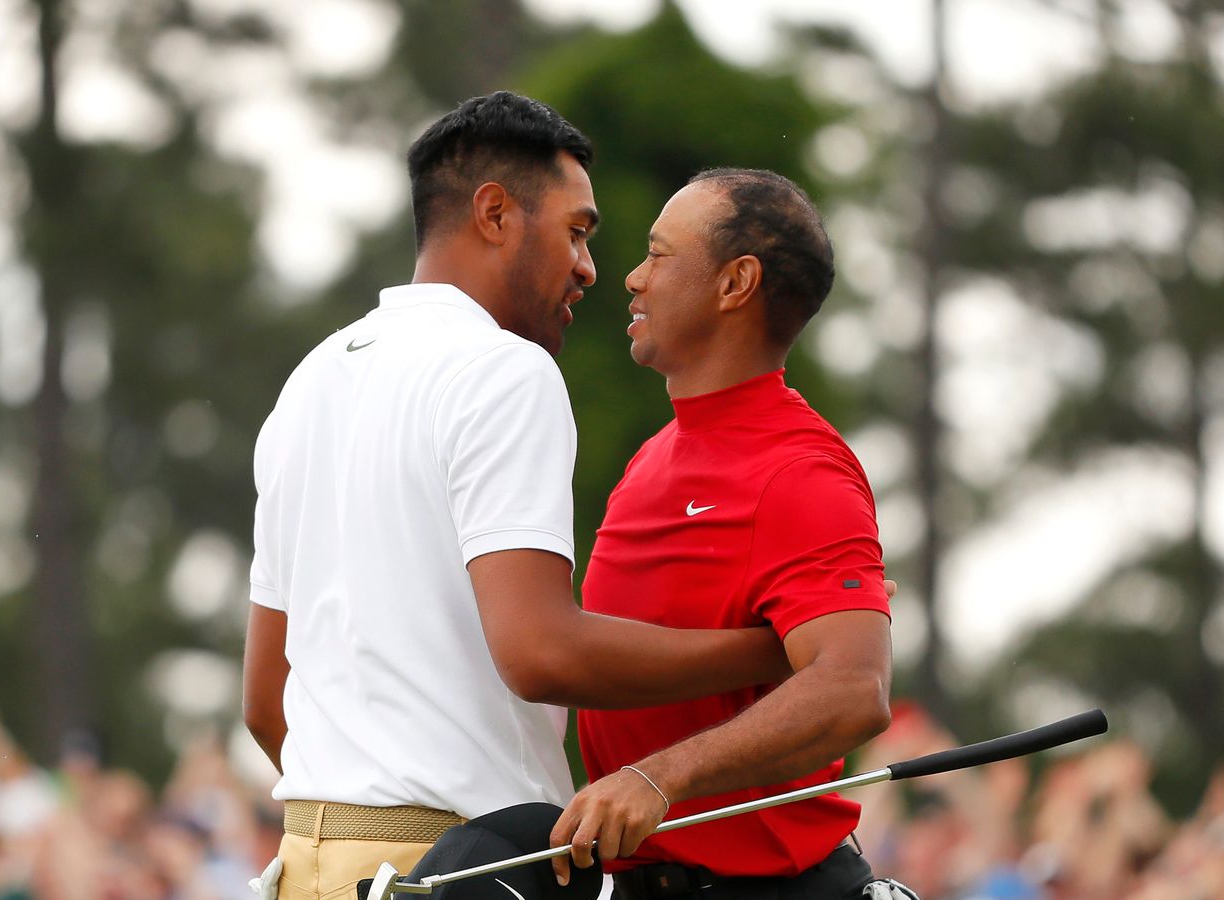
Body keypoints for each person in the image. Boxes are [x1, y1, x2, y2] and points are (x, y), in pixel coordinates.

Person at [242, 94, 792, 900]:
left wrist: (363, 796)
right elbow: (540, 652)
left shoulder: (312, 377)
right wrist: (766, 650)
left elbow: (265, 701)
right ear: (495, 213)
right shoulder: (505, 368)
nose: (590, 269)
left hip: (303, 866)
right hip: (453, 871)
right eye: (575, 232)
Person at [551, 169, 898, 899]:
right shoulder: (651, 456)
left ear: (736, 282)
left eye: (659, 254)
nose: (633, 279)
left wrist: (659, 778)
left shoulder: (800, 470)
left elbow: (853, 689)